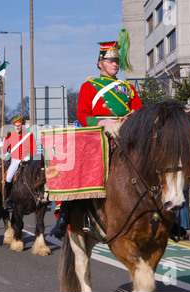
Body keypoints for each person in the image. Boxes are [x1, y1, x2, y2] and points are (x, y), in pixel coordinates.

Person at [51, 29, 142, 238]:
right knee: (78, 165)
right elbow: (82, 115)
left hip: (126, 132)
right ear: (100, 63)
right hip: (99, 133)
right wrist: (102, 120)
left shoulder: (128, 88)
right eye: (110, 61)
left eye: (117, 61)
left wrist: (132, 118)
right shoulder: (89, 86)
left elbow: (140, 110)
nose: (115, 65)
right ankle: (65, 212)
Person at [2, 116, 37, 209]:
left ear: (22, 125)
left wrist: (28, 157)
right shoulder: (10, 136)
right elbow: (4, 150)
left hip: (27, 160)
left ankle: (38, 196)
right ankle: (8, 198)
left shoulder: (29, 135)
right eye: (15, 126)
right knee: (9, 177)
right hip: (15, 160)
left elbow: (34, 150)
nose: (17, 127)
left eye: (19, 125)